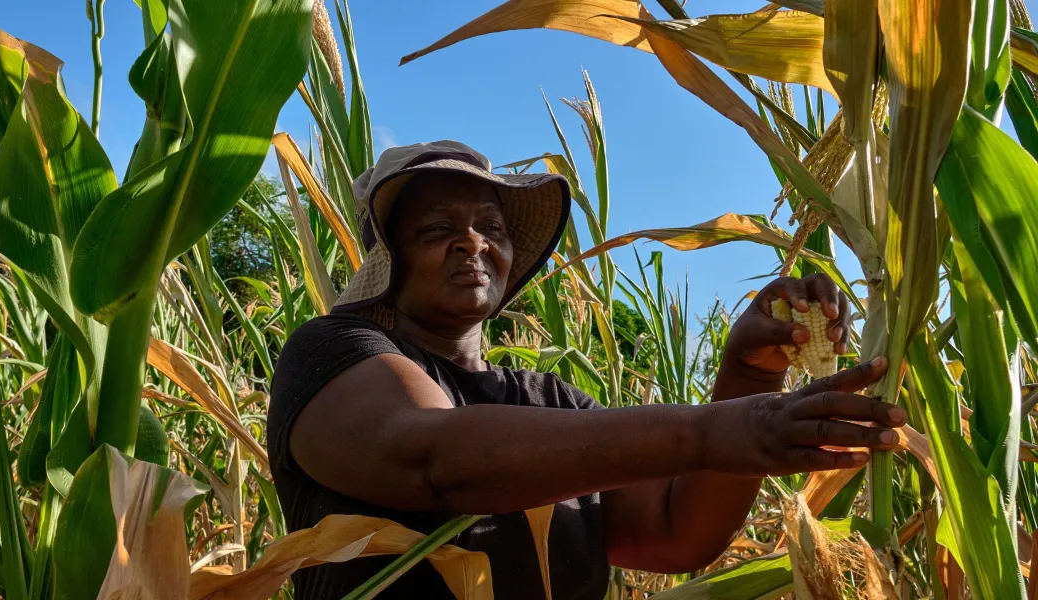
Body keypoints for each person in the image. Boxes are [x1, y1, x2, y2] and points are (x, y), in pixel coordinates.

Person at [268, 141, 901, 599]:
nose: (473, 242)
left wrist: (749, 376)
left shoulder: (553, 403)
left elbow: (674, 534)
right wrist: (720, 428)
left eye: (490, 226)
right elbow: (431, 458)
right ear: (389, 259)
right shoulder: (332, 352)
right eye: (438, 229)